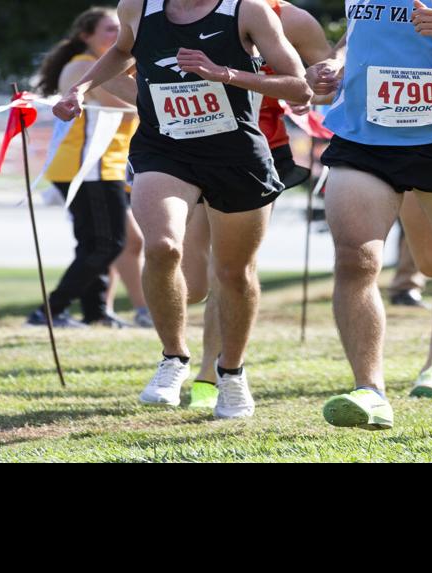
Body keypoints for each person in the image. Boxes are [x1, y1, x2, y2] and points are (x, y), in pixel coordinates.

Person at [55, 0, 313, 417]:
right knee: (161, 247)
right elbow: (123, 51)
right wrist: (80, 89)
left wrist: (223, 74)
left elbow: (298, 86)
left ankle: (231, 372)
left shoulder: (247, 12)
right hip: (164, 149)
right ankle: (173, 358)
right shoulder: (136, 7)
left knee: (233, 272)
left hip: (236, 155)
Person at [306, 0, 432, 426]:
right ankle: (370, 391)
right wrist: (333, 62)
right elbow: (355, 33)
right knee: (355, 259)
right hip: (362, 134)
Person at [179, 0, 330, 410]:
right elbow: (131, 66)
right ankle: (181, 356)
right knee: (190, 282)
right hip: (184, 149)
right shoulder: (176, 10)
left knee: (229, 268)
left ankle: (214, 371)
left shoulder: (291, 19)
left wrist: (320, 81)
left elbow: (322, 80)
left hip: (258, 149)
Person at [25, 6, 141, 330]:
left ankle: (95, 312)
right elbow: (129, 107)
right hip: (89, 166)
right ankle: (50, 311)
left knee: (92, 242)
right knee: (109, 243)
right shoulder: (87, 66)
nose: (117, 34)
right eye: (108, 29)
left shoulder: (99, 65)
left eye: (120, 28)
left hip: (98, 165)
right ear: (85, 36)